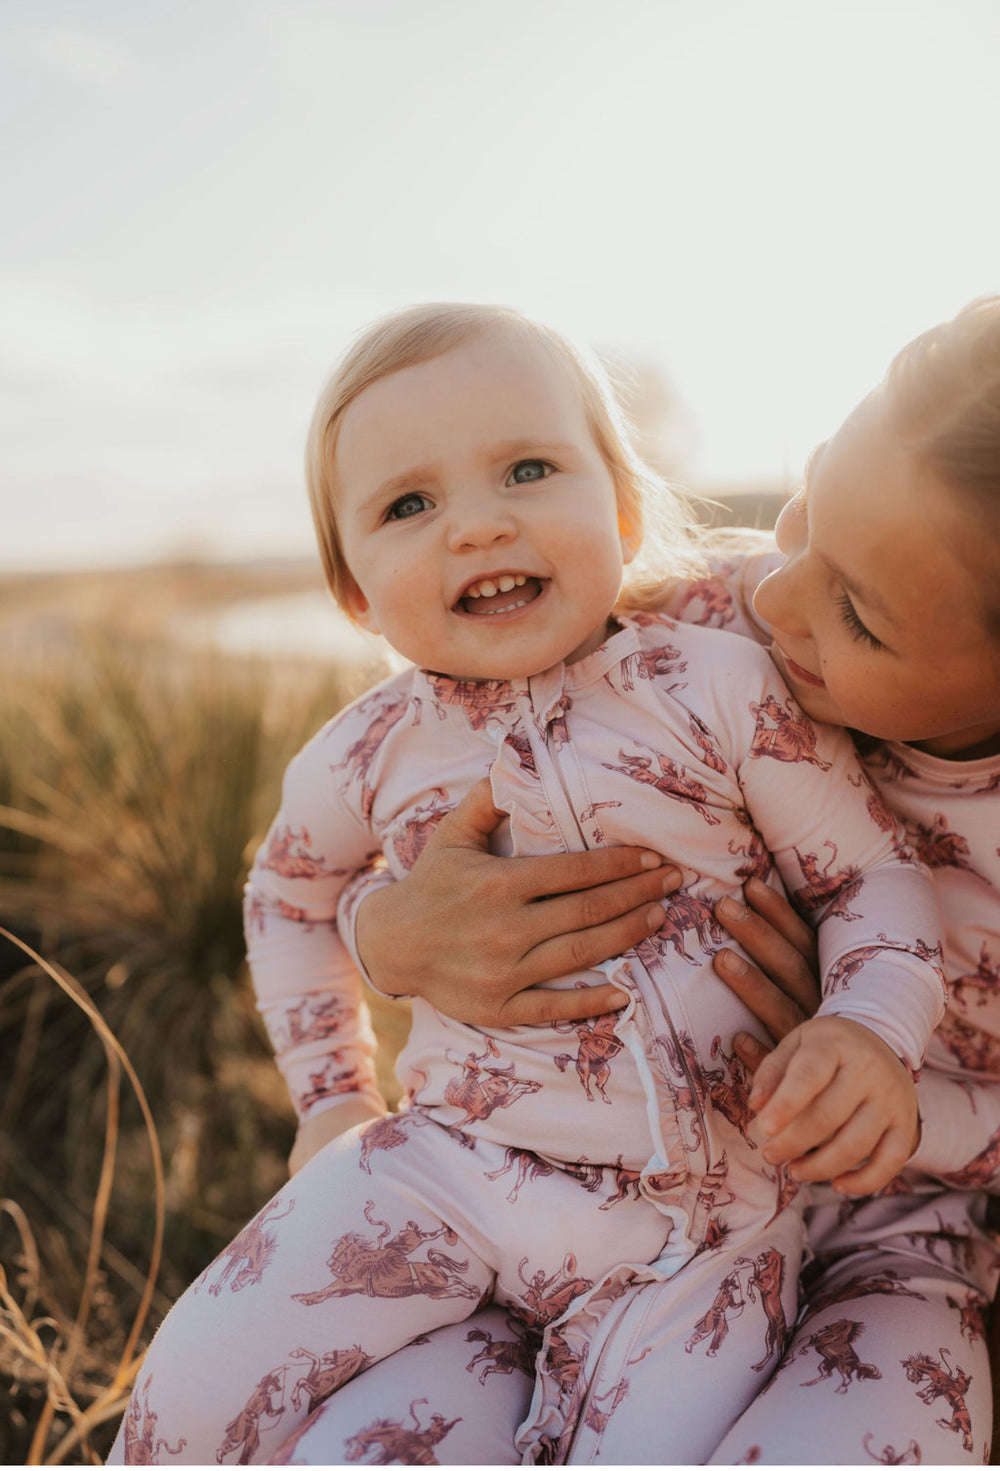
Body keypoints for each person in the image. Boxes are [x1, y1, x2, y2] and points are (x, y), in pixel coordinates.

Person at [107, 303, 945, 1466]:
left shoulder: (719, 685)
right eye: (409, 504)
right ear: (353, 591)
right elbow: (286, 898)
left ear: (623, 509)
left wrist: (867, 1024)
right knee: (188, 1393)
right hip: (443, 1166)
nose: (477, 525)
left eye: (527, 468)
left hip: (699, 1216)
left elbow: (868, 874)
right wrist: (332, 1101)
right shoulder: (363, 753)